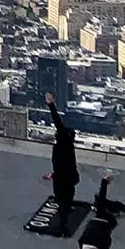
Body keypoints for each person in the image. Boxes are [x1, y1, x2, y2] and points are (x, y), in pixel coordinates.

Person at [47, 91, 80, 231]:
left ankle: (63, 222)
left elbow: (58, 123)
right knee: (67, 196)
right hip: (69, 175)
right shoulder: (68, 145)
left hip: (61, 176)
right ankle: (66, 211)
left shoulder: (62, 143)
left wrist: (51, 105)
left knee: (61, 199)